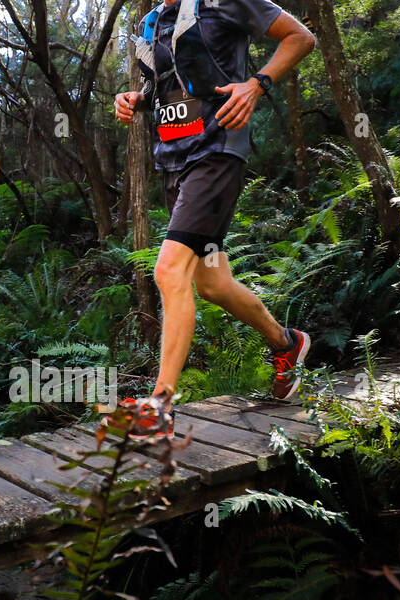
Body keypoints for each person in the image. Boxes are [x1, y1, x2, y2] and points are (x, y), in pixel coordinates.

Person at [111, 0, 316, 439]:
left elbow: (301, 37)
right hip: (174, 159)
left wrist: (256, 84)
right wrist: (135, 100)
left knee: (169, 271)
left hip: (217, 151)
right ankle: (287, 343)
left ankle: (161, 405)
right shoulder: (153, 22)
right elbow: (174, 87)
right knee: (212, 283)